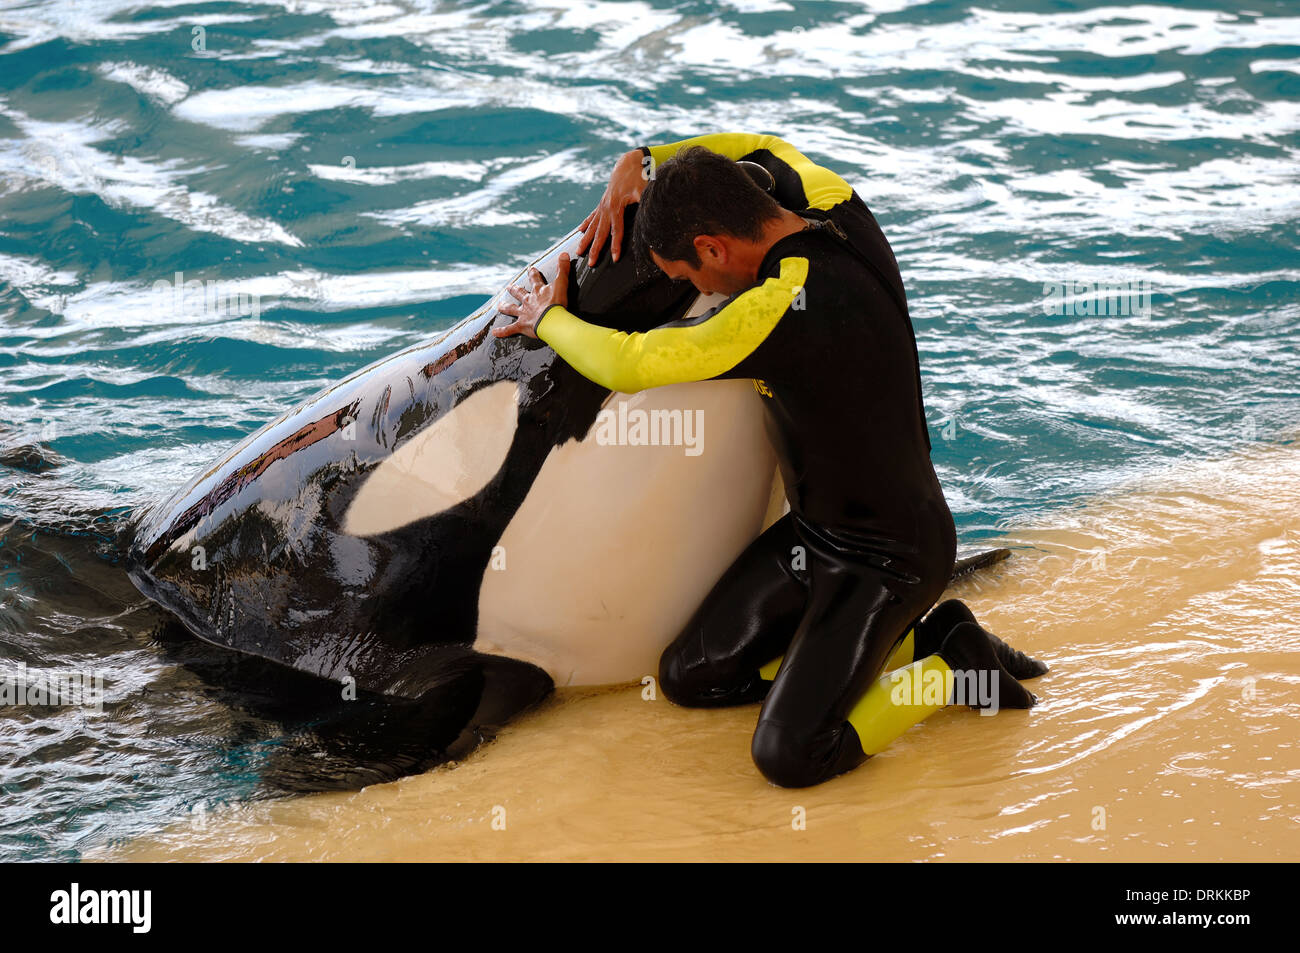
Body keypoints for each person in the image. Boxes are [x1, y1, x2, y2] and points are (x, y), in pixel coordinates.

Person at [494, 132, 1047, 788]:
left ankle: (953, 669)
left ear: (712, 248)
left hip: (892, 557)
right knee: (691, 675)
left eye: (689, 277)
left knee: (791, 754)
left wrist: (546, 318)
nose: (699, 289)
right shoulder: (833, 200)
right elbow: (762, 142)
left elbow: (632, 364)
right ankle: (924, 639)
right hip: (813, 537)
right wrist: (643, 160)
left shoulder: (780, 307)